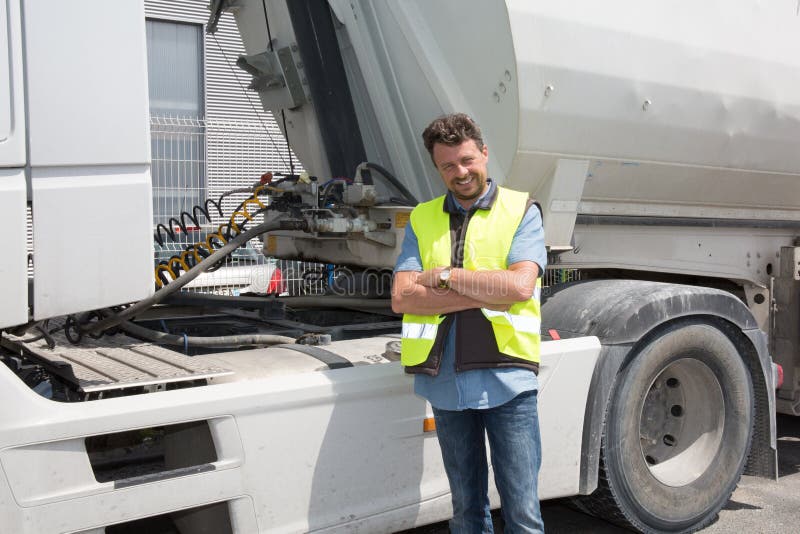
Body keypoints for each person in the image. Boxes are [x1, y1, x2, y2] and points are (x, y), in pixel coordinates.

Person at [391, 113, 546, 534]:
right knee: (465, 512)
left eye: (467, 160)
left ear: (483, 153)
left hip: (507, 378)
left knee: (523, 514)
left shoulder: (521, 210)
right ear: (437, 168)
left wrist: (445, 277)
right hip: (444, 383)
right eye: (448, 166)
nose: (460, 173)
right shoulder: (422, 218)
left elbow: (519, 287)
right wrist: (484, 289)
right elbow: (402, 296)